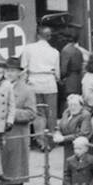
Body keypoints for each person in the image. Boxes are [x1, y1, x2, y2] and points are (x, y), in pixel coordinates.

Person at [22, 19, 60, 147]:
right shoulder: (55, 52)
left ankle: (41, 142)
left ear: (37, 35)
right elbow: (58, 74)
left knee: (39, 113)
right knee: (51, 113)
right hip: (50, 84)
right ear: (49, 37)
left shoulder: (28, 49)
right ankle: (51, 140)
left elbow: (23, 68)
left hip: (34, 83)